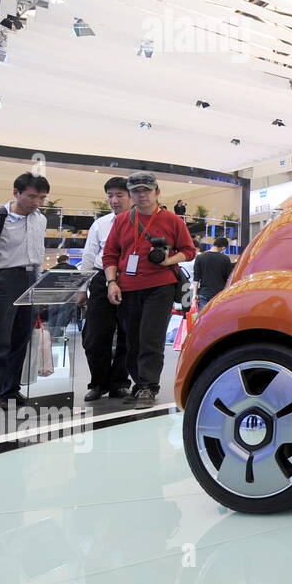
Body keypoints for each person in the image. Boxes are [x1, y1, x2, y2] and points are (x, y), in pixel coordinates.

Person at [101, 172, 196, 408]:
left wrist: (168, 260)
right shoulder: (122, 220)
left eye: (146, 190)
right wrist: (111, 282)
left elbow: (189, 250)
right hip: (127, 287)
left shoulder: (173, 220)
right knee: (132, 341)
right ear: (131, 195)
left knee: (150, 339)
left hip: (160, 286)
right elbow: (110, 254)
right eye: (136, 191)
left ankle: (148, 386)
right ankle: (139, 382)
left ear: (157, 192)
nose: (141, 195)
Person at [0, 173, 50, 411]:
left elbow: (38, 251)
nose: (37, 202)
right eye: (32, 196)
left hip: (31, 279)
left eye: (42, 198)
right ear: (16, 193)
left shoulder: (40, 220)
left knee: (20, 339)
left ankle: (10, 390)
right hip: (2, 280)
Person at [79, 176, 131, 401]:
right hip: (101, 280)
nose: (114, 200)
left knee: (127, 335)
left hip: (131, 279)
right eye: (110, 196)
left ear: (131, 196)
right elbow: (88, 256)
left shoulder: (140, 223)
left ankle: (119, 382)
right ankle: (98, 383)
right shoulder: (100, 224)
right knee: (95, 335)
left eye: (119, 195)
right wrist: (82, 288)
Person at [194, 236, 233, 312]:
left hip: (204, 293)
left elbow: (196, 278)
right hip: (219, 294)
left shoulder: (200, 257)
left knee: (203, 318)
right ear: (223, 248)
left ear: (214, 244)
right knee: (217, 319)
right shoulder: (225, 259)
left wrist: (194, 295)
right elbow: (229, 278)